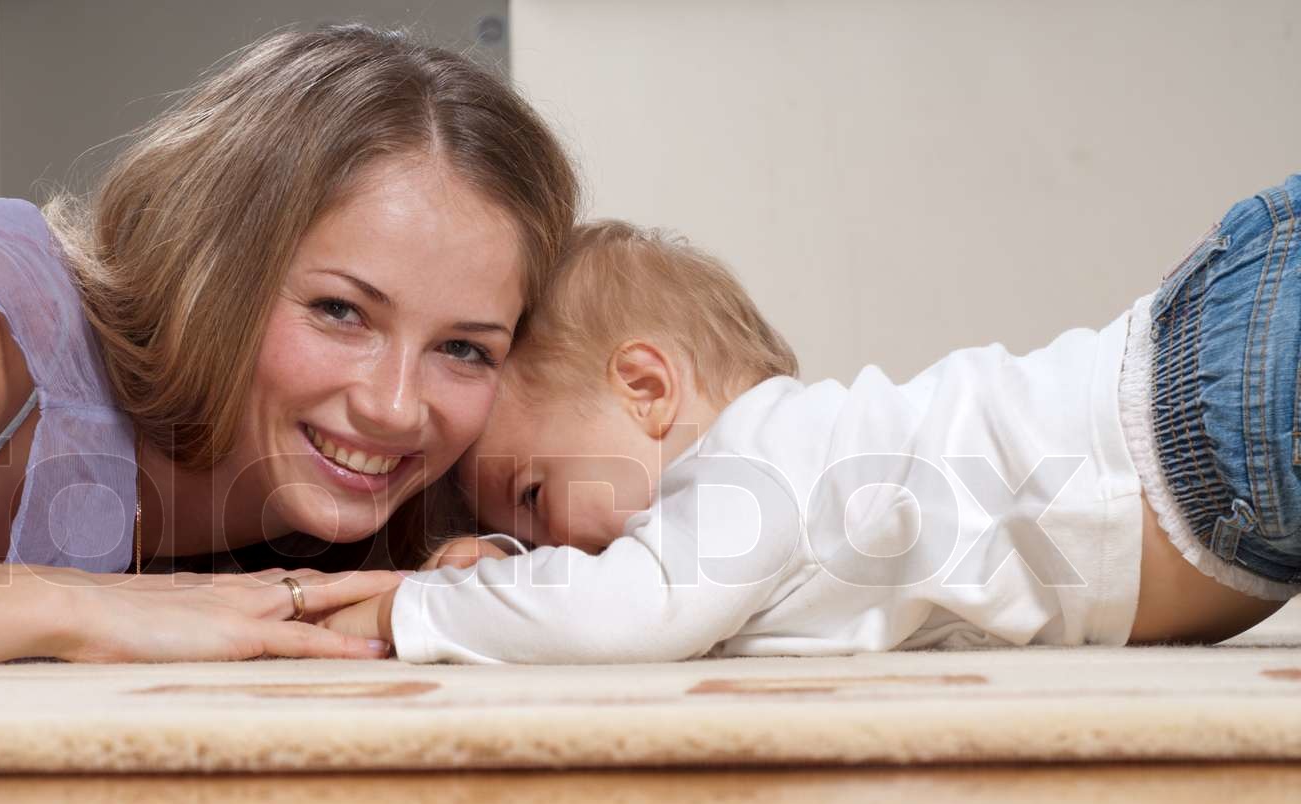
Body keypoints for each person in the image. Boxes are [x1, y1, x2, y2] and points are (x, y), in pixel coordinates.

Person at [0, 26, 579, 677]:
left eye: (464, 348)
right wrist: (67, 605)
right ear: (215, 268)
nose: (393, 405)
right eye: (340, 310)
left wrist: (483, 585)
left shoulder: (435, 483)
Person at [324, 181, 1299, 661]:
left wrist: (407, 609)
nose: (551, 547)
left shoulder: (748, 467)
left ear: (647, 389)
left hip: (1213, 402)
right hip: (1226, 419)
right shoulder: (781, 504)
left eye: (535, 496)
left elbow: (622, 611)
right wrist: (499, 552)